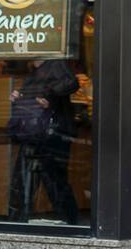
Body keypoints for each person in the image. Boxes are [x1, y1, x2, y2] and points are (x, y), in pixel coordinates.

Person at [7, 58, 80, 225]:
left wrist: (47, 94)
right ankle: (18, 221)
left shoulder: (54, 64)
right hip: (35, 133)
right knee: (31, 179)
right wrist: (20, 95)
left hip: (50, 132)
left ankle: (71, 222)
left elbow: (71, 83)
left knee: (51, 180)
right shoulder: (34, 70)